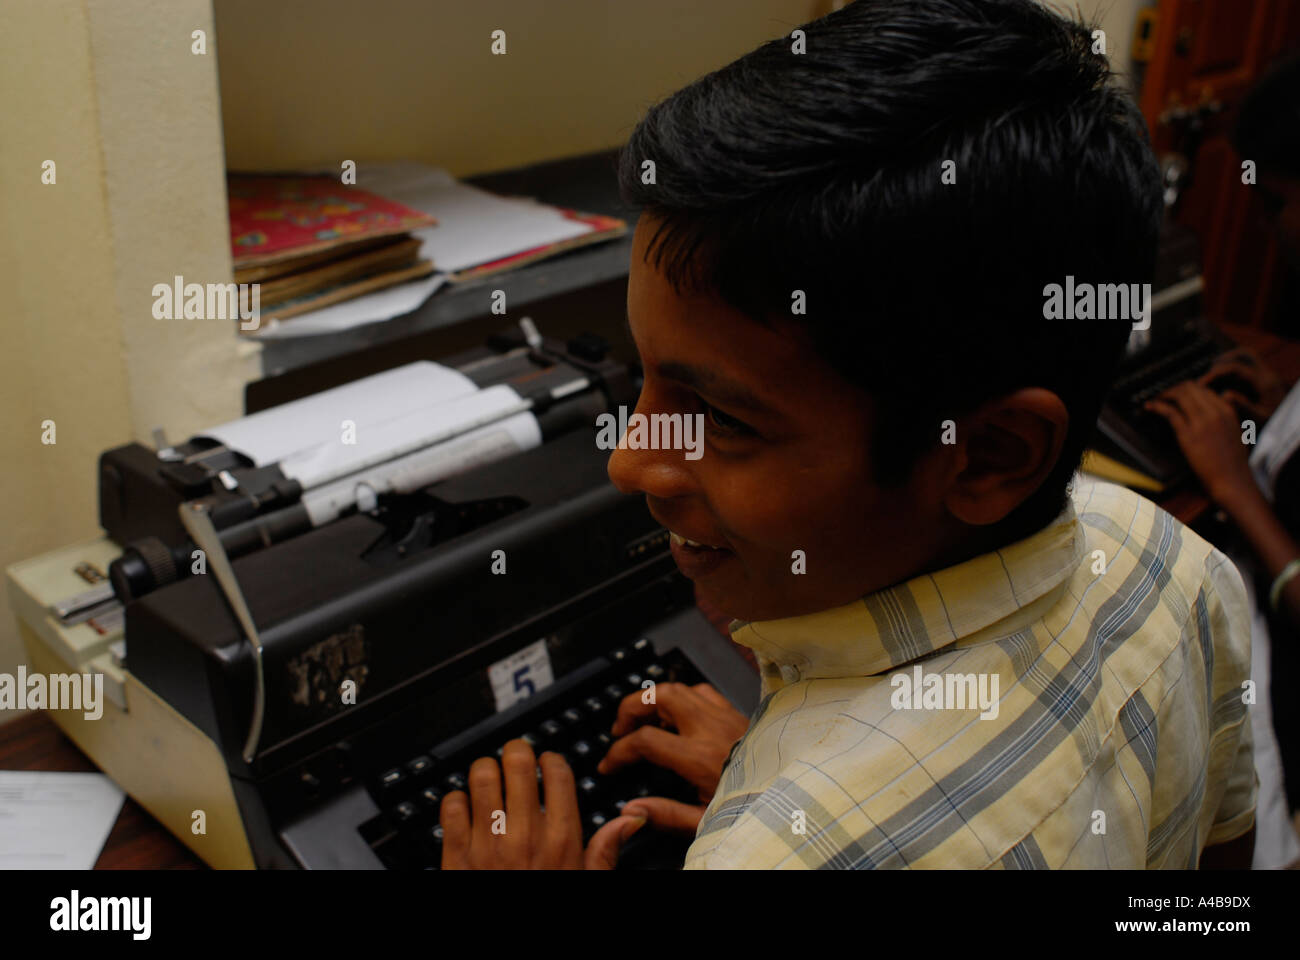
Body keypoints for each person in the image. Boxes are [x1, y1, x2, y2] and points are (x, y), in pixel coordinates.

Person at [437, 0, 1257, 869]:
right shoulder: (1175, 559)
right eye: (644, 376)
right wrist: (780, 773)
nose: (629, 459)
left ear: (989, 455)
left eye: (719, 415)